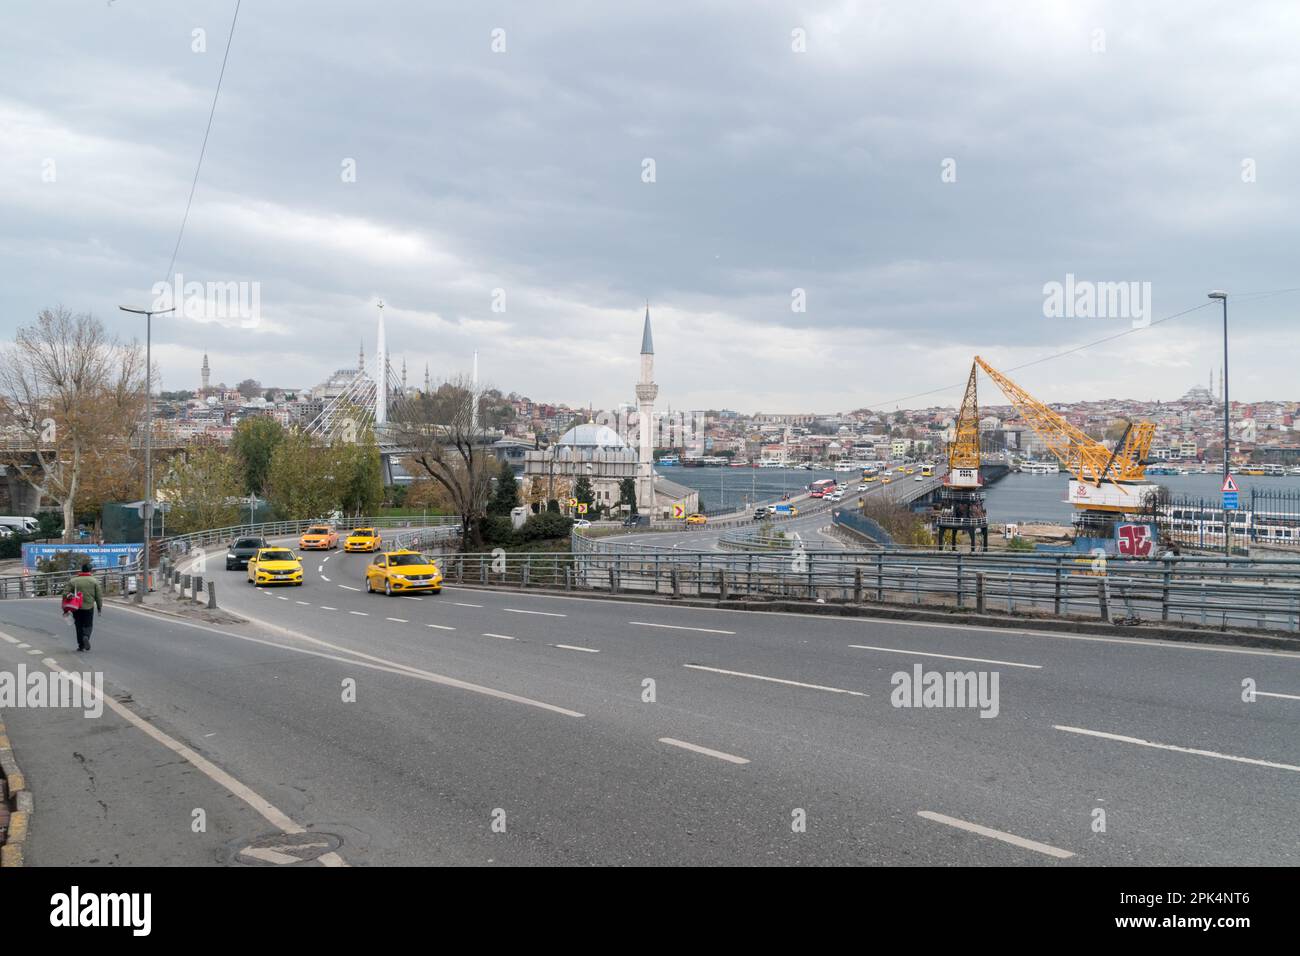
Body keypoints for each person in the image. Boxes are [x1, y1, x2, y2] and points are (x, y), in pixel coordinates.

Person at [63, 562, 103, 652]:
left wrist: (65, 607)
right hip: (88, 607)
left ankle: (81, 645)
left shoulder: (73, 581)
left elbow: (65, 593)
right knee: (88, 625)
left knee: (78, 625)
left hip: (76, 607)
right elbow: (98, 596)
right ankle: (86, 636)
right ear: (91, 570)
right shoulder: (94, 581)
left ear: (81, 570)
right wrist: (99, 607)